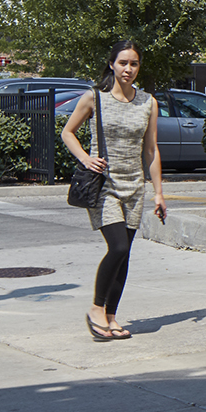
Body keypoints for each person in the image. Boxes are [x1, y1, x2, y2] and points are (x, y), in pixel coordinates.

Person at [61, 39, 166, 340]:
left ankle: (111, 316)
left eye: (133, 63)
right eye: (123, 62)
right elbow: (68, 132)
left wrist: (158, 192)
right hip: (104, 184)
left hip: (135, 186)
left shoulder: (148, 102)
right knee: (117, 246)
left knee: (125, 254)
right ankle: (96, 309)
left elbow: (151, 150)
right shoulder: (94, 97)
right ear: (112, 64)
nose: (128, 69)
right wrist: (85, 157)